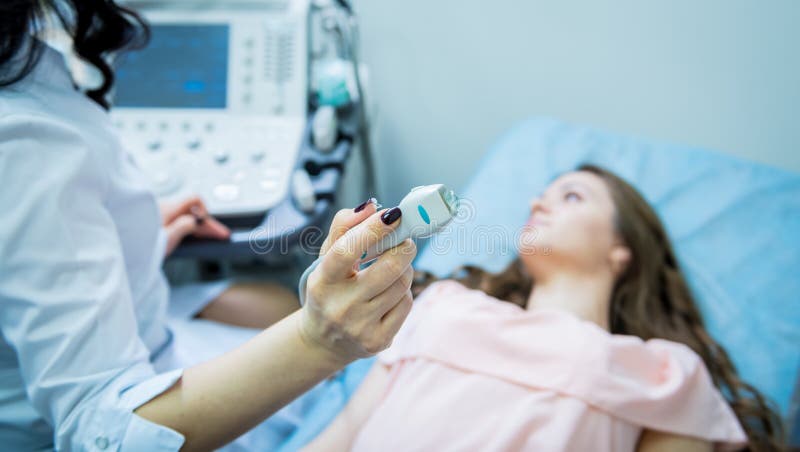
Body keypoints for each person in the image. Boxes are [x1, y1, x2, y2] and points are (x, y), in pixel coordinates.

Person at [0, 1, 417, 450]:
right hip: (117, 416)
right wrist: (319, 341)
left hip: (145, 333)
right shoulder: (26, 145)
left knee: (277, 304)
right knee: (347, 369)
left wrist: (117, 233)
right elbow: (100, 429)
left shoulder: (27, 88)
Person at [304, 165, 785, 451]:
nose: (538, 202)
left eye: (571, 195)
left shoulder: (665, 372)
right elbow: (345, 432)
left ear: (624, 248)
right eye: (541, 194)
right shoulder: (441, 305)